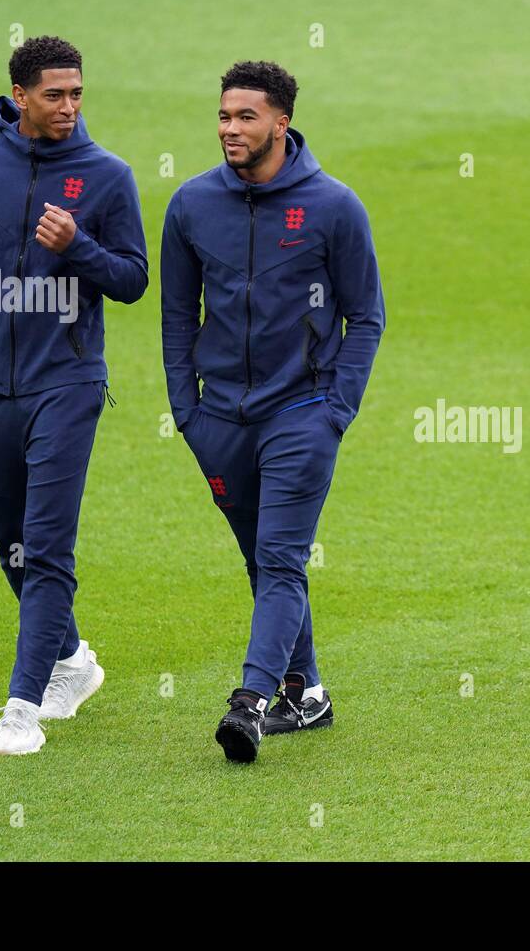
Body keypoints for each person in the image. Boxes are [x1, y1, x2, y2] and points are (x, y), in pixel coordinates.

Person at [160, 60, 385, 763]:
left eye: (245, 117)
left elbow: (366, 317)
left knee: (281, 560)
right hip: (219, 421)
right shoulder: (192, 205)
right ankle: (306, 693)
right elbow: (175, 314)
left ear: (281, 122)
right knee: (265, 565)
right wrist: (187, 412)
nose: (230, 128)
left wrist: (334, 412)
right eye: (224, 115)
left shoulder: (334, 206)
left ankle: (250, 703)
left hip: (302, 415)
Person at [0, 36, 148, 755]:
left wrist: (78, 248)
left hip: (67, 384)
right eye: (55, 95)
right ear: (20, 96)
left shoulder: (107, 176)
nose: (69, 107)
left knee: (49, 548)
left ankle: (22, 710)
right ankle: (72, 662)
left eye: (78, 94)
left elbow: (131, 280)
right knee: (13, 545)